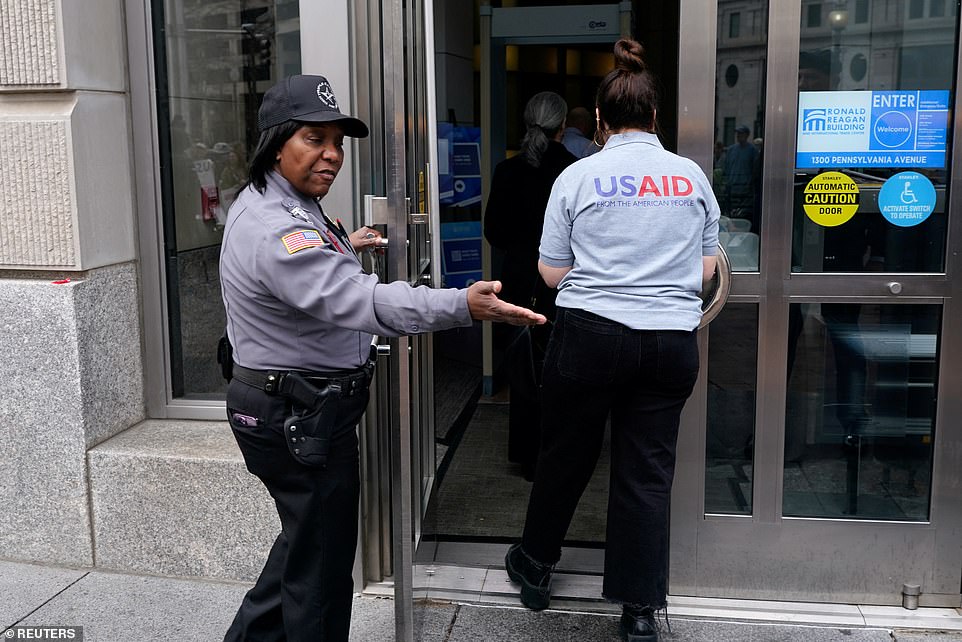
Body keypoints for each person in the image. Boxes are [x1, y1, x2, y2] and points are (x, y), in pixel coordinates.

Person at [219, 74, 546, 642]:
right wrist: (461, 304)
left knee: (305, 549)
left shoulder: (288, 202)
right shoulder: (276, 228)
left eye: (338, 142)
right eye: (314, 139)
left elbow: (313, 273)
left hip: (296, 408)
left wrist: (350, 244)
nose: (331, 155)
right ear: (276, 144)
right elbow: (359, 300)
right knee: (320, 580)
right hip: (297, 416)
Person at [505, 39, 719, 642]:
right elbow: (705, 271)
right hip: (669, 341)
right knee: (645, 471)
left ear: (599, 121)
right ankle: (640, 611)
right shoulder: (690, 177)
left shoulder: (578, 175)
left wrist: (605, 281)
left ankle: (536, 567)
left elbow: (550, 271)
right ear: (656, 118)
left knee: (565, 453)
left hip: (589, 336)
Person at [484, 91, 577, 480]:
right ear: (563, 126)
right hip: (568, 281)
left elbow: (494, 231)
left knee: (523, 369)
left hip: (519, 278)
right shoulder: (575, 170)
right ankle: (560, 455)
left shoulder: (508, 171)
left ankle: (526, 456)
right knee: (564, 369)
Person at [723, 124, 759, 228]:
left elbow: (754, 170)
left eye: (741, 133)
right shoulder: (731, 150)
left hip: (745, 190)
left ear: (747, 135)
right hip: (732, 188)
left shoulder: (752, 150)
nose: (738, 136)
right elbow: (727, 167)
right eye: (737, 134)